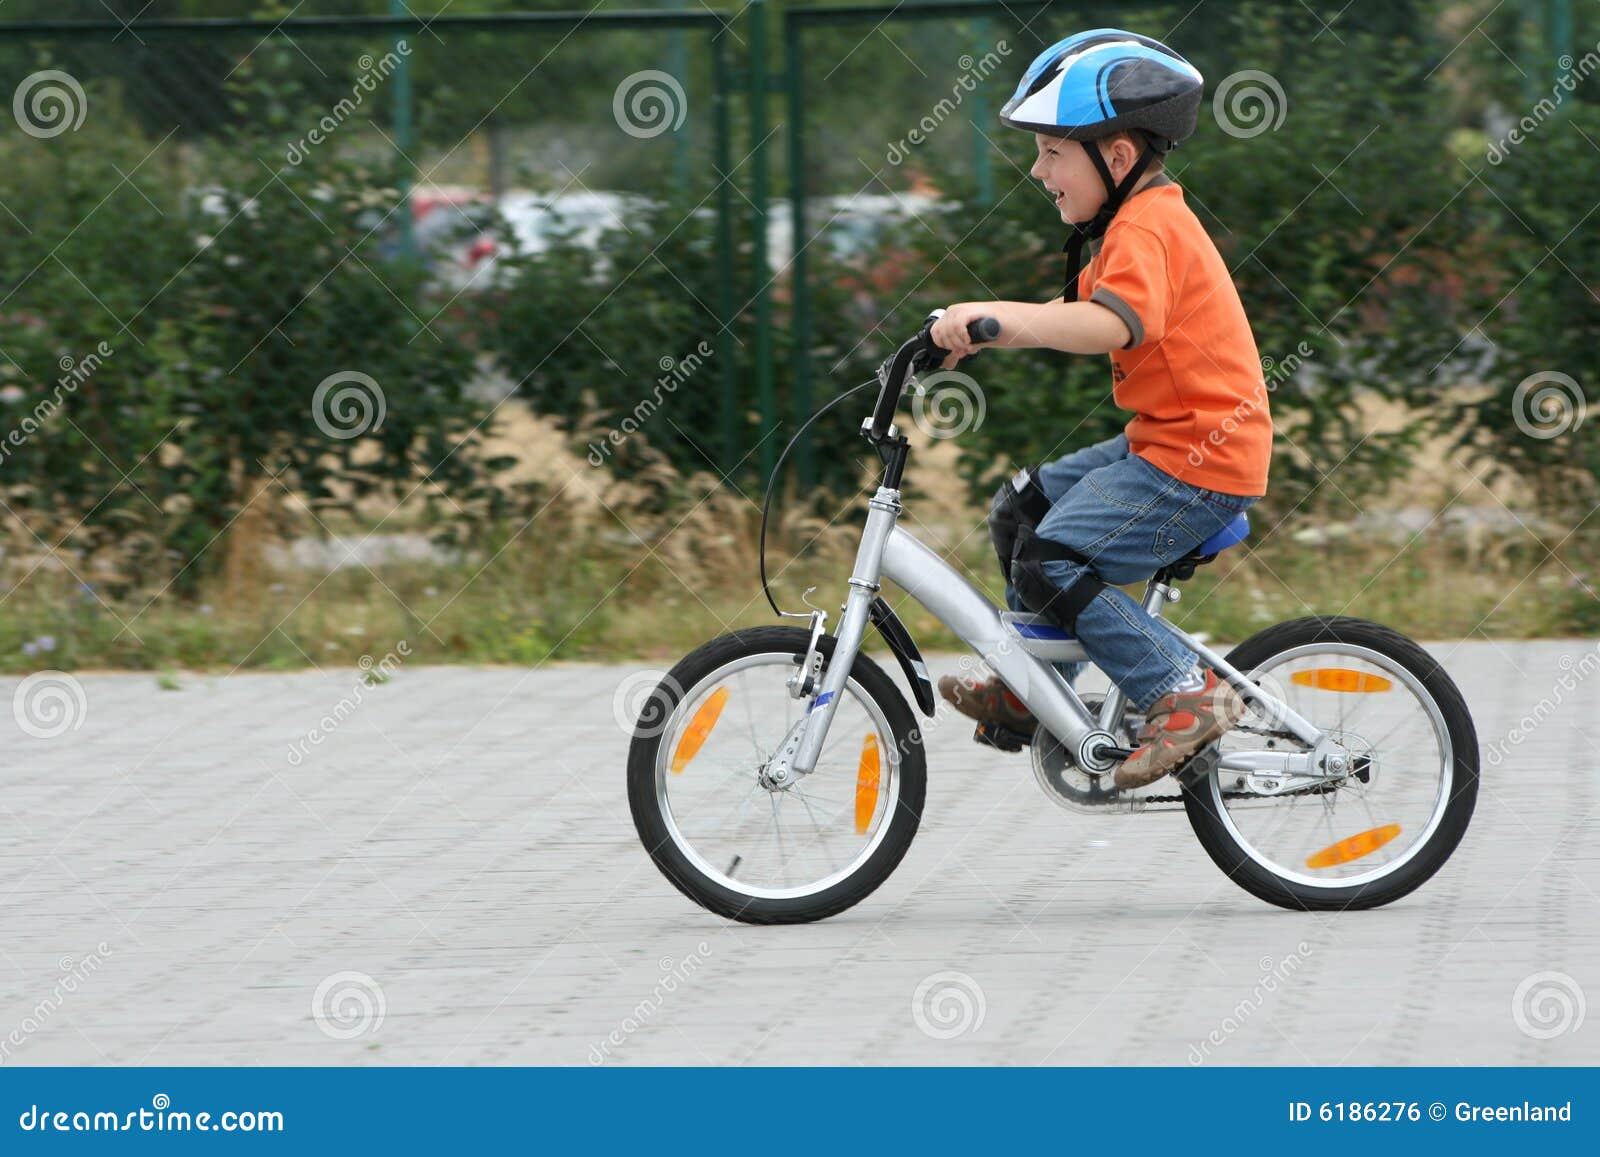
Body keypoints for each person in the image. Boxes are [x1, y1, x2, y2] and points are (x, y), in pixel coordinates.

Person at [928, 29, 1272, 789]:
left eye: (1053, 151)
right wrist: (975, 338)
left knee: (1053, 554)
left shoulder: (1149, 225)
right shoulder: (1130, 225)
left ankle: (1180, 692)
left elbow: (1109, 325)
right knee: (1021, 510)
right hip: (1166, 444)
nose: (1037, 169)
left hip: (1200, 461)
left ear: (1115, 158)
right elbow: (1075, 311)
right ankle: (1033, 690)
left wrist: (993, 317)